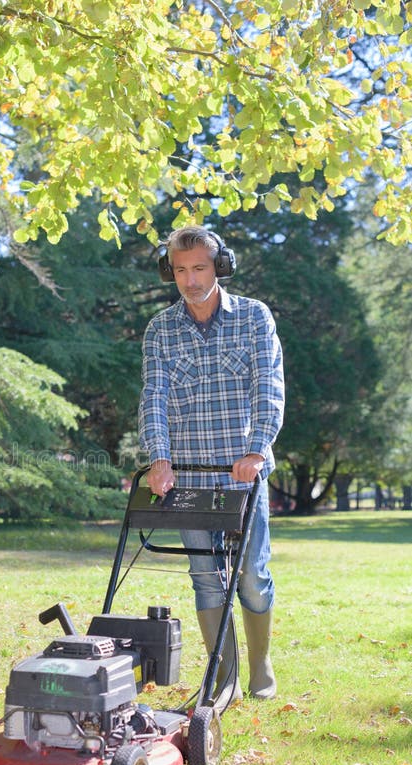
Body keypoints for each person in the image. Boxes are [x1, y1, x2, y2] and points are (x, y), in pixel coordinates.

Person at [138, 225, 284, 710]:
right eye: (180, 270)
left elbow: (269, 386)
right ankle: (225, 678)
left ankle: (260, 665)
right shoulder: (161, 330)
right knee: (205, 576)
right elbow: (154, 398)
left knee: (251, 578)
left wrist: (257, 450)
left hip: (245, 474)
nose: (191, 280)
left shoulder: (254, 317)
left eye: (200, 268)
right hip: (191, 476)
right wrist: (159, 459)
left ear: (219, 266)